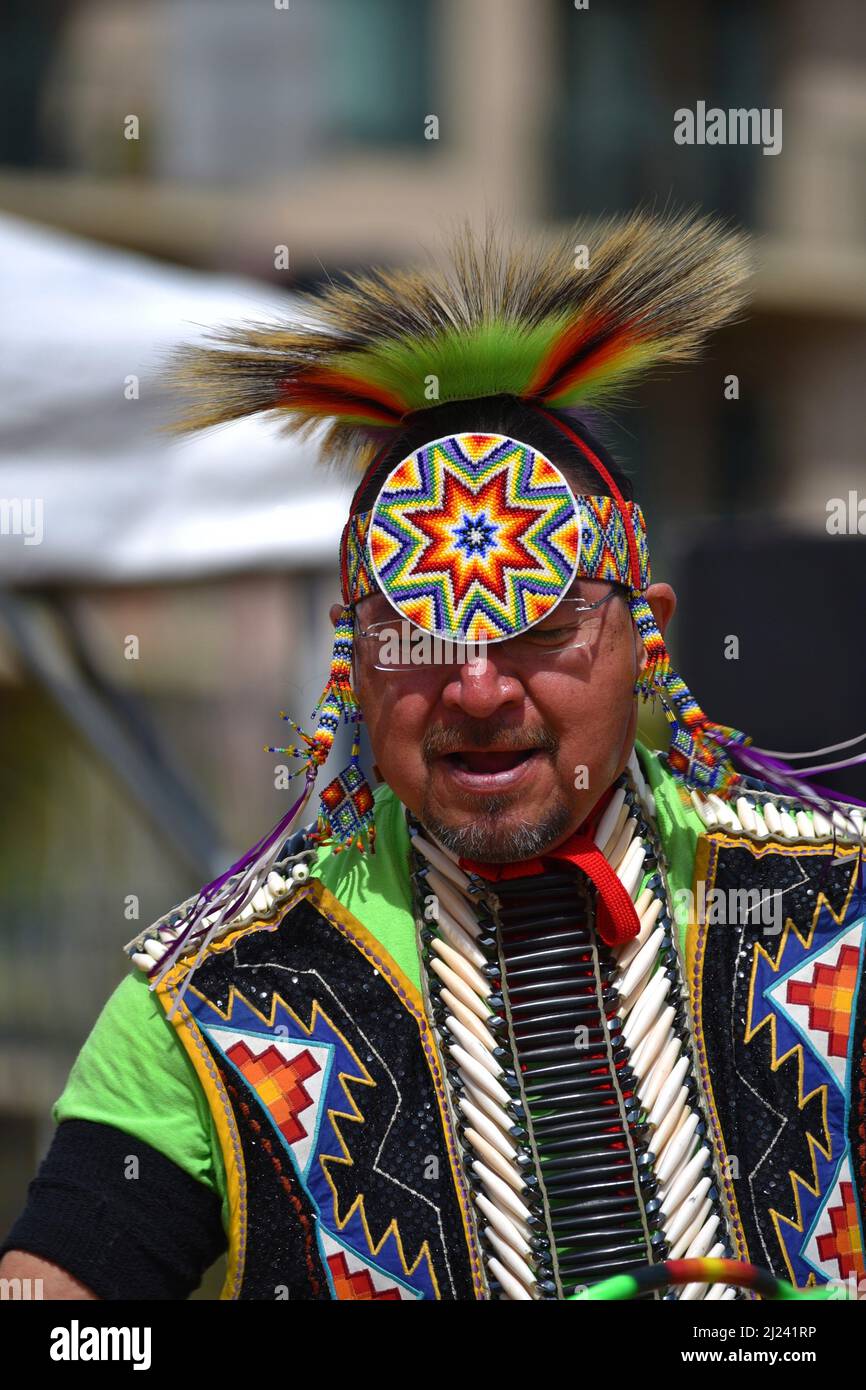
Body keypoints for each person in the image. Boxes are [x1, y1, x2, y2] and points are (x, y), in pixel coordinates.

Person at [3, 210, 864, 1303]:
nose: (476, 688)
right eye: (418, 637)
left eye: (538, 628)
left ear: (644, 632)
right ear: (351, 661)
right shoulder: (211, 999)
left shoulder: (836, 907)